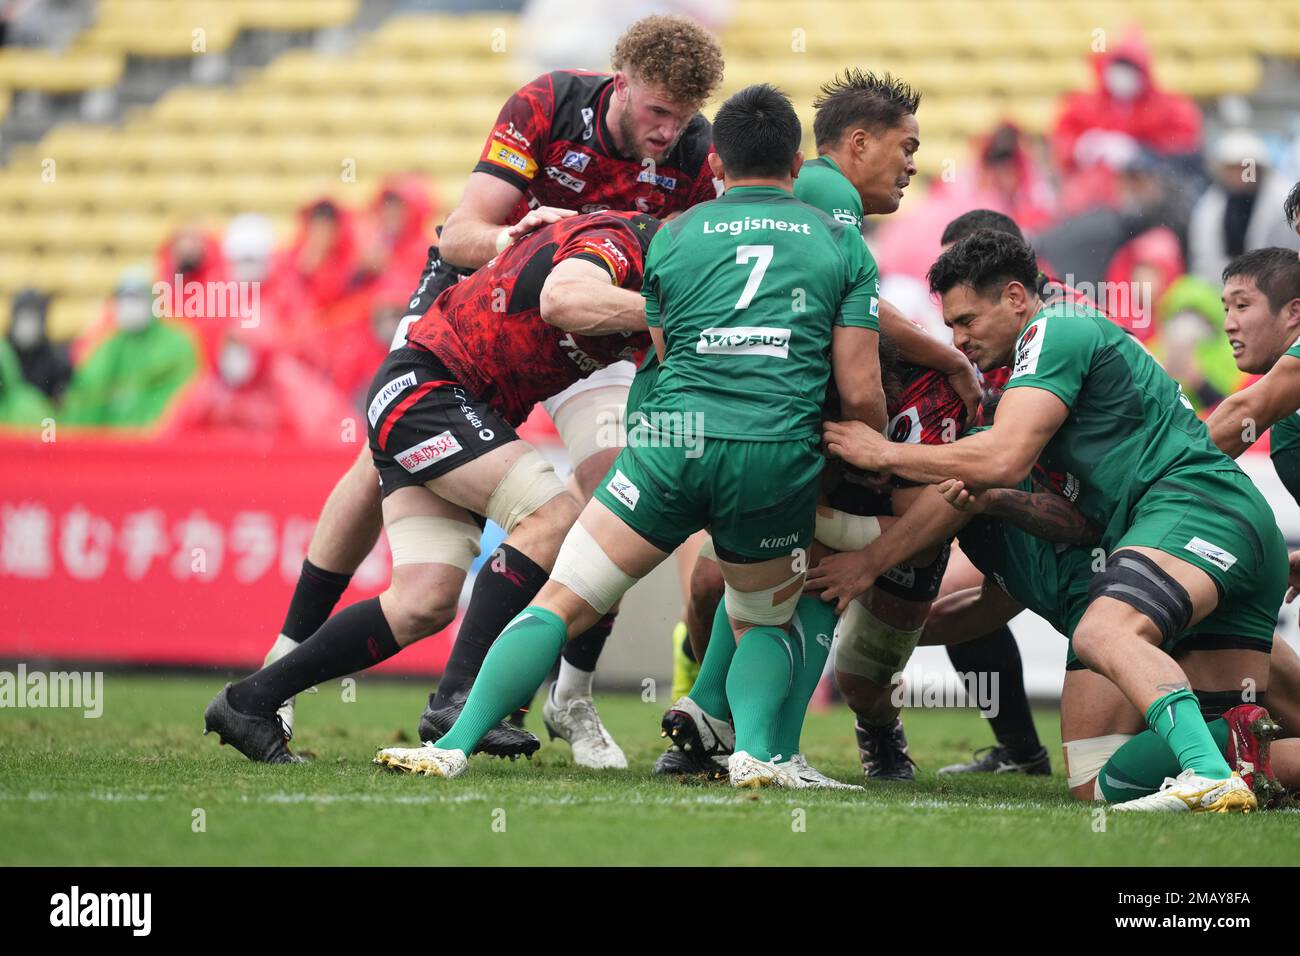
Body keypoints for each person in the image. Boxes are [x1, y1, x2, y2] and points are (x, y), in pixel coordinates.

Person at [374, 83, 885, 787]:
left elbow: (659, 343)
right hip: (773, 450)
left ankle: (453, 743)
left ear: (714, 167)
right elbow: (860, 389)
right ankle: (759, 757)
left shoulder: (671, 235)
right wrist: (872, 456)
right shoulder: (841, 244)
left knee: (560, 601)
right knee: (762, 621)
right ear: (797, 165)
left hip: (670, 443)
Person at [255, 15, 725, 768]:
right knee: (375, 462)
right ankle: (278, 670)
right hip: (481, 306)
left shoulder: (698, 153)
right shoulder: (547, 103)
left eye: (683, 114)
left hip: (595, 322)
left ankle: (569, 693)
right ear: (621, 81)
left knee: (617, 486)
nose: (668, 131)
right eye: (656, 111)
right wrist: (529, 238)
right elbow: (460, 234)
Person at [821, 230, 1288, 812]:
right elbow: (1069, 519)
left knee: (1102, 632)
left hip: (1193, 509)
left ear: (1017, 297)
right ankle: (1233, 756)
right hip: (1217, 528)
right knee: (1104, 782)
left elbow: (1000, 458)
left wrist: (882, 453)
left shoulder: (1053, 329)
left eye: (966, 320)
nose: (957, 339)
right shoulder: (1055, 369)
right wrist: (991, 501)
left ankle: (1205, 771)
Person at [203, 210, 665, 764]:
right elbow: (560, 299)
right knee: (554, 516)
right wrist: (665, 309)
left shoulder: (661, 274)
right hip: (429, 388)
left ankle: (250, 702)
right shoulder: (624, 242)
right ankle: (458, 698)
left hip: (451, 402)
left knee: (423, 602)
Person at [61, 268, 200, 429]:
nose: (130, 305)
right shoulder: (108, 348)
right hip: (114, 446)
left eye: (137, 298)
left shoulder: (177, 344)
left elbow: (183, 399)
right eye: (125, 298)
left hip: (158, 445)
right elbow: (88, 396)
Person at [1188, 130, 1300, 285]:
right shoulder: (1211, 206)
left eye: (1244, 167)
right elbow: (1205, 259)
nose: (1239, 174)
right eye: (1232, 168)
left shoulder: (1283, 201)